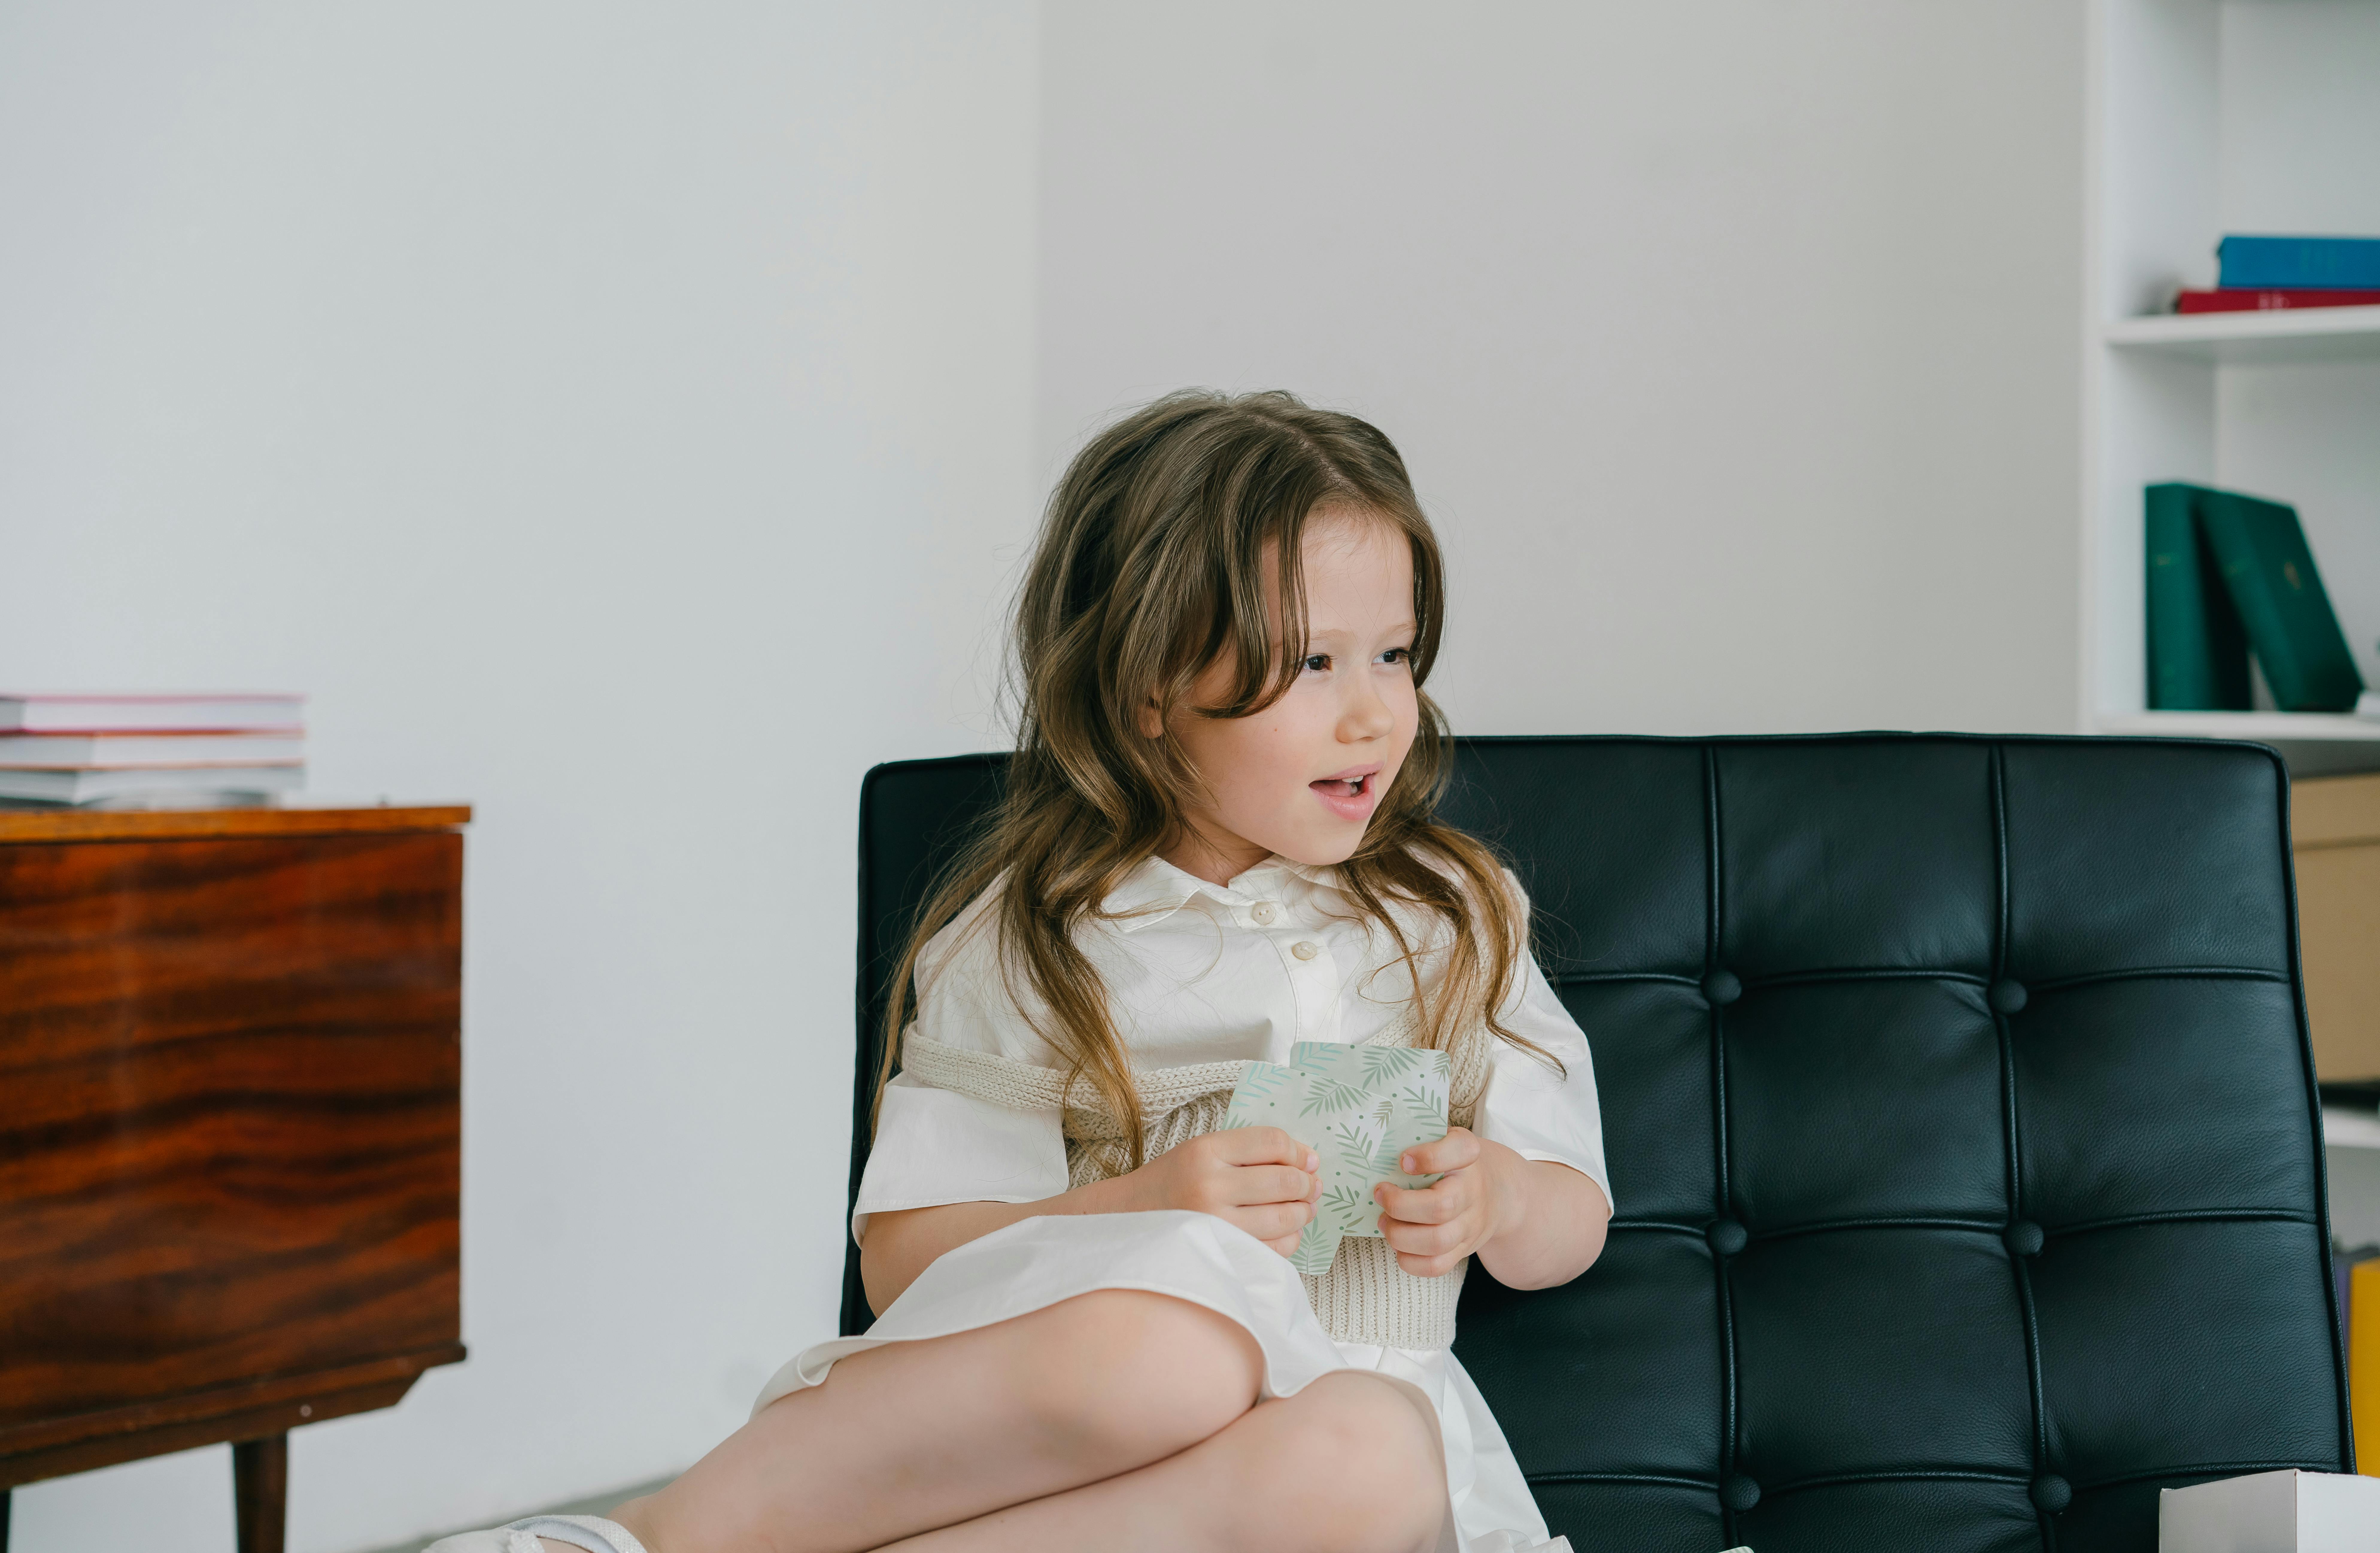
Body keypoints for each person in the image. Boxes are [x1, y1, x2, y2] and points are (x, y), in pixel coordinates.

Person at [439, 389, 1613, 1553]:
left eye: (1395, 655)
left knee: (1373, 1447)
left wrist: (1500, 1199)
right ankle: (645, 1541)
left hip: (1311, 1466)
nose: (1372, 713)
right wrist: (1142, 1209)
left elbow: (1571, 1217)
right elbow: (904, 1264)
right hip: (1087, 1420)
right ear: (1150, 688)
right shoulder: (1039, 939)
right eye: (1309, 662)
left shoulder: (1452, 918)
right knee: (1175, 1350)